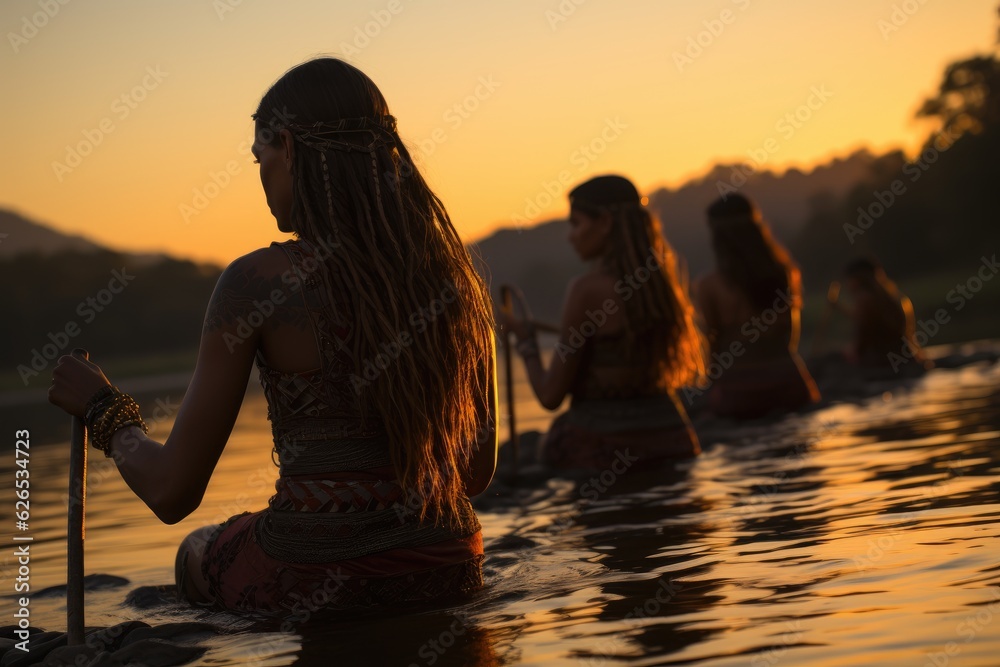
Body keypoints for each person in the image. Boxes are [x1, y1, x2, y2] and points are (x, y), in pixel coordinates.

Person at [48, 57, 499, 614]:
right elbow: (475, 475)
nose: (260, 178)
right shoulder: (453, 279)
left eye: (260, 158)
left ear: (286, 145)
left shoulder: (256, 283)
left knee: (197, 550)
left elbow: (171, 492)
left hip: (310, 568)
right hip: (449, 562)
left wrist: (104, 410)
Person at [501, 175, 704, 471]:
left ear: (605, 222)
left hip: (604, 452)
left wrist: (525, 340)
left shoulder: (587, 290)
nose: (571, 235)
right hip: (674, 440)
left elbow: (549, 396)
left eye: (576, 224)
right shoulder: (661, 287)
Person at [694, 193, 819, 419]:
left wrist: (714, 388)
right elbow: (791, 337)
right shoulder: (784, 274)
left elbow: (712, 349)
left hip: (740, 394)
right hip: (791, 385)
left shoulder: (709, 286)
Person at [832, 257, 931, 371]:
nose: (847, 284)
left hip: (881, 361)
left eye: (848, 280)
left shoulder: (864, 300)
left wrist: (848, 354)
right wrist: (839, 307)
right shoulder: (900, 299)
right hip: (907, 357)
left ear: (856, 279)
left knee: (828, 360)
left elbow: (861, 340)